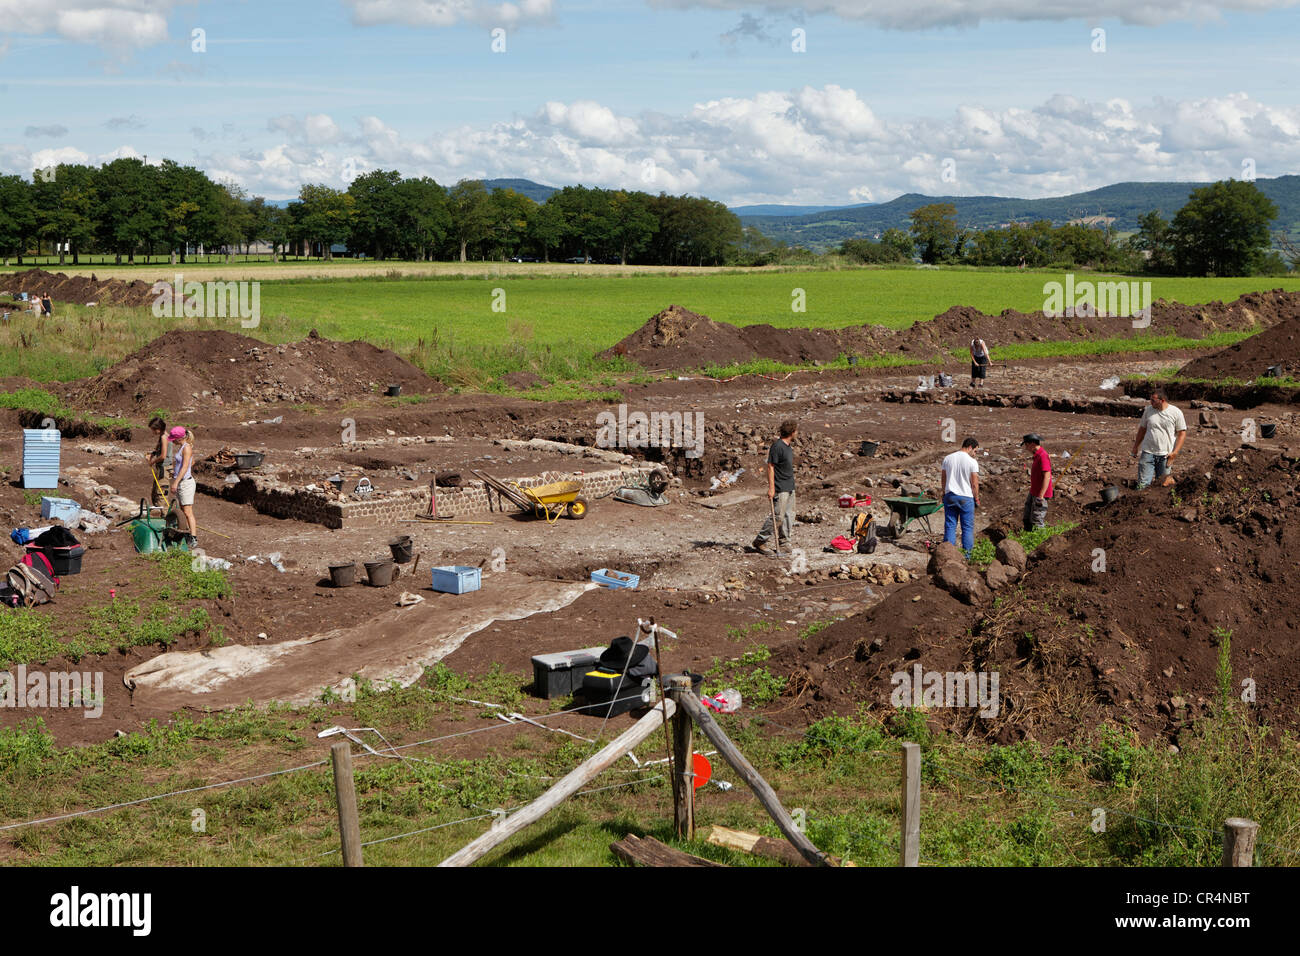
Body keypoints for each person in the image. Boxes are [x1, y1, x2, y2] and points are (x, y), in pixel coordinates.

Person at [752, 419, 798, 555]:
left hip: (790, 486)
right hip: (780, 487)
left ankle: (784, 542)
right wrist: (772, 488)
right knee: (777, 516)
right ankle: (760, 541)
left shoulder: (788, 446)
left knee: (789, 516)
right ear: (792, 432)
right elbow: (770, 467)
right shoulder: (777, 447)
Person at [1131, 390, 1186, 489]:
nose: (1150, 402)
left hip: (1165, 455)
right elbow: (1142, 429)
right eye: (1150, 399)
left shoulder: (1176, 412)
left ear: (1162, 400)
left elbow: (1182, 433)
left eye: (1153, 400)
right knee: (1142, 485)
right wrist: (1135, 446)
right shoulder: (1148, 410)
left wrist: (1175, 452)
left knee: (1162, 486)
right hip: (1148, 452)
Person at [941, 437, 981, 555]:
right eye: (975, 451)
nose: (975, 454)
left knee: (950, 525)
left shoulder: (948, 459)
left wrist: (944, 493)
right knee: (967, 528)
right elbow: (974, 483)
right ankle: (967, 556)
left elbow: (943, 479)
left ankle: (948, 554)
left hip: (950, 496)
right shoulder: (972, 462)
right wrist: (977, 498)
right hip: (966, 498)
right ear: (970, 447)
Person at [168, 426, 197, 543]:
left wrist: (175, 482)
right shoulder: (182, 447)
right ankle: (186, 533)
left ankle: (193, 537)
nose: (172, 441)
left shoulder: (187, 448)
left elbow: (185, 467)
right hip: (181, 481)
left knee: (188, 511)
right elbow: (191, 462)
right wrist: (175, 472)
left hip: (185, 483)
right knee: (183, 510)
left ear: (178, 438)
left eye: (173, 439)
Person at [1020, 434, 1053, 531]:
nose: (1026, 448)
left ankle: (1040, 541)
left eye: (1026, 445)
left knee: (1037, 519)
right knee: (1028, 515)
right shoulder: (1037, 455)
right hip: (1034, 491)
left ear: (1032, 444)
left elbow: (1047, 476)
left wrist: (1041, 496)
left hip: (1040, 494)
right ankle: (1028, 534)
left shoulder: (1043, 456)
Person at [146, 416, 172, 509]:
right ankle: (158, 513)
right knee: (155, 492)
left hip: (164, 469)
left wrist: (152, 462)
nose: (152, 432)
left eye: (153, 430)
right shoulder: (162, 436)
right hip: (161, 468)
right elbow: (158, 450)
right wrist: (152, 453)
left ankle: (164, 517)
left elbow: (163, 456)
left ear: (158, 428)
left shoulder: (164, 437)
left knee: (161, 494)